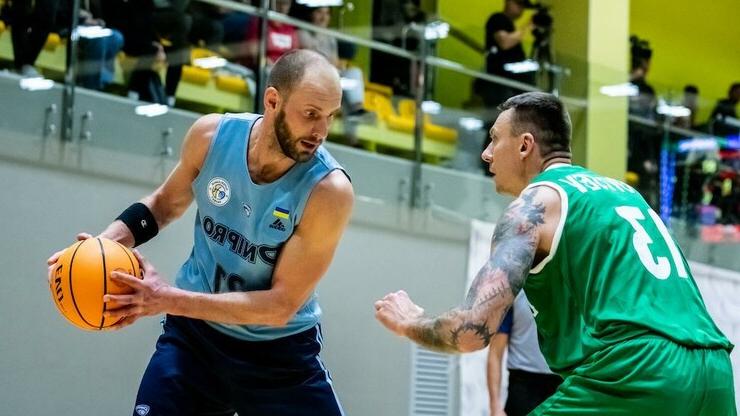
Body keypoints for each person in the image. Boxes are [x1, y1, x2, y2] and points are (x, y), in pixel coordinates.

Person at [375, 92, 735, 415]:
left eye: (494, 140)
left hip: (640, 369)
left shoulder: (534, 205)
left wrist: (410, 324)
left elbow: (472, 331)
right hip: (715, 369)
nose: (486, 153)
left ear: (524, 145)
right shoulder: (624, 193)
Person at [47, 50, 353, 416]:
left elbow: (279, 306)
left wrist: (166, 298)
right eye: (310, 114)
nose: (320, 132)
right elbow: (163, 204)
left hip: (278, 357)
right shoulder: (212, 137)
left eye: (330, 117)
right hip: (195, 343)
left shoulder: (328, 191)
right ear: (273, 100)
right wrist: (100, 245)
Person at [487, 292, 561, 416]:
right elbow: (495, 353)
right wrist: (495, 406)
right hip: (523, 386)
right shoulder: (513, 291)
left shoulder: (572, 285)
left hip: (563, 383)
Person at [480, 0, 533, 108]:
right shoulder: (498, 18)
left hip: (511, 85)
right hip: (500, 83)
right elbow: (505, 43)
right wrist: (527, 26)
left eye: (523, 6)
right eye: (518, 4)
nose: (521, 9)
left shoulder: (509, 25)